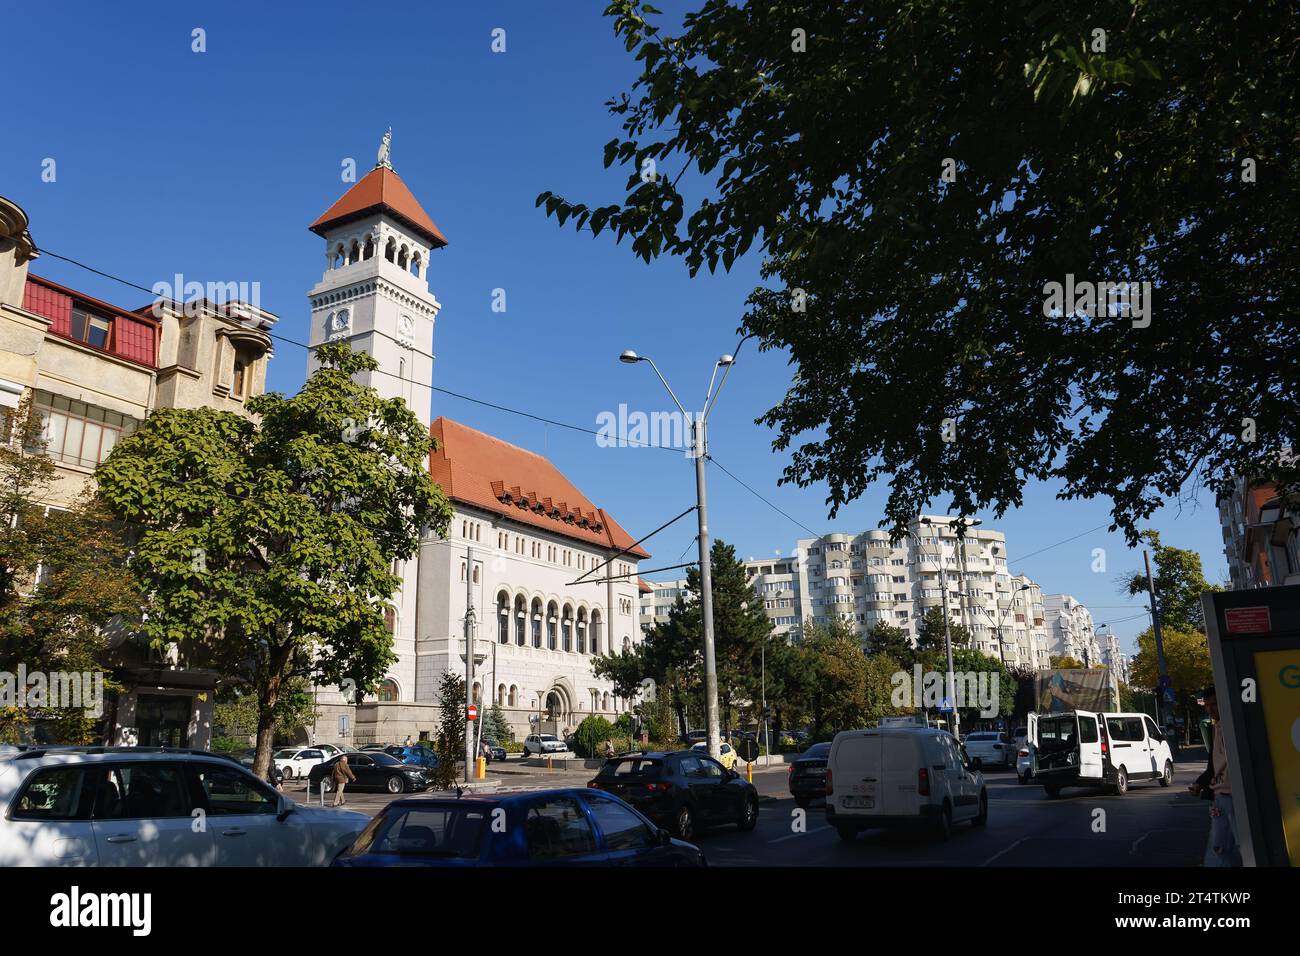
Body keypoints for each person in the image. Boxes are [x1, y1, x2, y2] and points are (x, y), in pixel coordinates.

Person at [1190, 686, 1241, 866]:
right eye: (1207, 705)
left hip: (1234, 794)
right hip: (1219, 795)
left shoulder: (1232, 725)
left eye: (1214, 704)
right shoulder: (1214, 727)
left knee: (1241, 844)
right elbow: (1214, 763)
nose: (1210, 709)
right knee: (1220, 846)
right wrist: (1200, 783)